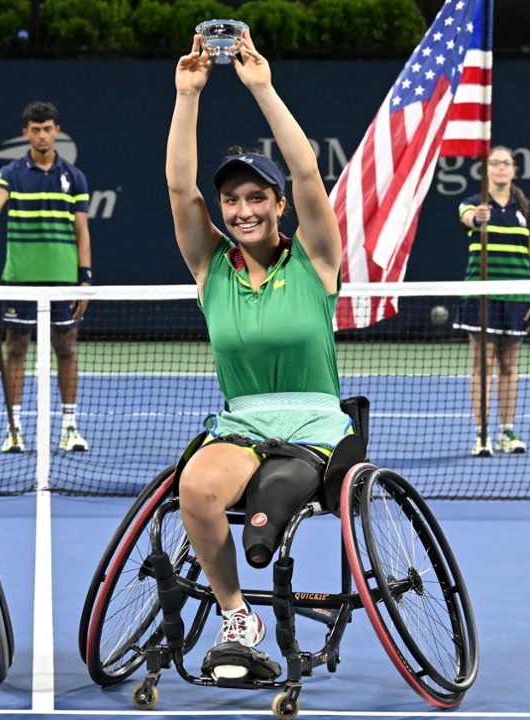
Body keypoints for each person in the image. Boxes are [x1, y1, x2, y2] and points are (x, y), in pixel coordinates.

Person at [164, 33, 348, 681]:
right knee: (196, 487)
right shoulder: (211, 267)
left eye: (255, 198)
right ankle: (237, 618)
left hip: (316, 432)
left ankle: (257, 584)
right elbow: (179, 186)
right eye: (232, 200)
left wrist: (261, 89)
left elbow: (307, 173)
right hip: (242, 425)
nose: (242, 210)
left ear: (277, 206)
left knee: (265, 528)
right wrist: (189, 95)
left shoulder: (317, 259)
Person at [0, 101, 92, 454]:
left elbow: (82, 231)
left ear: (56, 131)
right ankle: (14, 429)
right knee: (16, 348)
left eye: (47, 128)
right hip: (20, 278)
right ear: (25, 133)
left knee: (66, 348)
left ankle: (69, 427)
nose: (41, 135)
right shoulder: (10, 173)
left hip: (64, 279)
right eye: (35, 129)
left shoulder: (74, 178)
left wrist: (85, 280)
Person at [454, 146, 530, 456]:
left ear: (514, 170)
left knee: (509, 365)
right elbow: (469, 219)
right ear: (486, 171)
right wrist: (478, 218)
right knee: (483, 365)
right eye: (494, 164)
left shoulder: (528, 209)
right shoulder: (472, 204)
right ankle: (482, 436)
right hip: (482, 297)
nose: (500, 169)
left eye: (505, 164)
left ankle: (507, 431)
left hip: (518, 297)